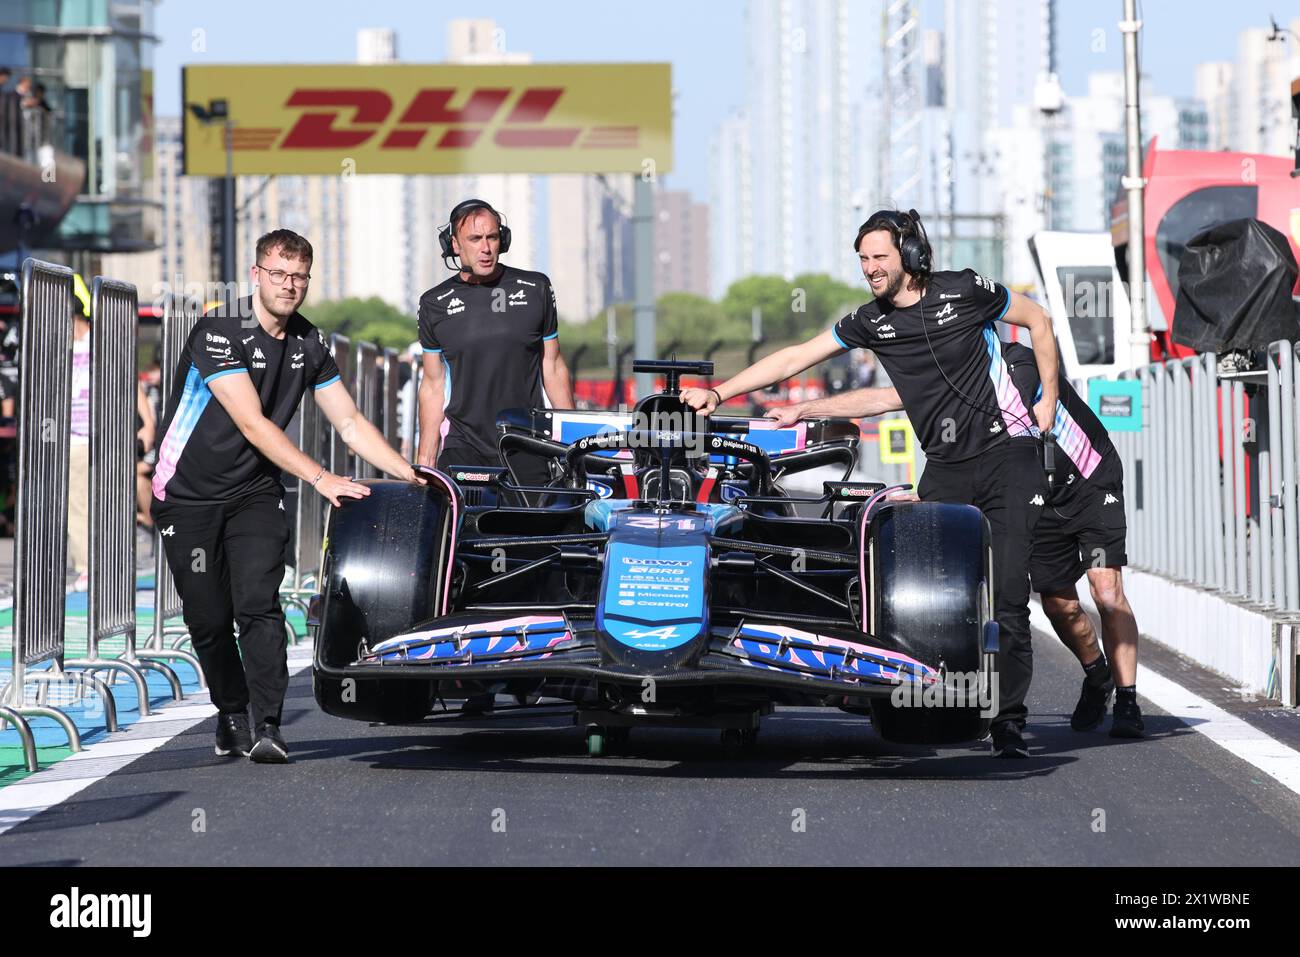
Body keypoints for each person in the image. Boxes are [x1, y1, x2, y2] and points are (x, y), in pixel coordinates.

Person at [682, 209, 1060, 758]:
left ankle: (1008, 720)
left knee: (1005, 598)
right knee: (930, 591)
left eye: (879, 257)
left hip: (1010, 455)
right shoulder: (870, 320)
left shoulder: (967, 289)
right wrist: (720, 393)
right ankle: (925, 696)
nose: (870, 268)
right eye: (862, 259)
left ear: (910, 253)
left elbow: (1040, 321)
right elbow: (796, 357)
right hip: (947, 466)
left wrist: (1048, 397)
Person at [151, 228, 425, 763]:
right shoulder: (219, 330)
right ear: (256, 275)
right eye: (278, 274)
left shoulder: (310, 343)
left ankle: (267, 724)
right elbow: (253, 423)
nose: (288, 285)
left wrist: (409, 473)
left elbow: (348, 421)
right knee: (207, 617)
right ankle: (230, 710)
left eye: (299, 276)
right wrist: (321, 479)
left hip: (255, 492)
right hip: (189, 492)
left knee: (259, 604)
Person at [1001, 340, 1144, 737]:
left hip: (1090, 482)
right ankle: (1097, 674)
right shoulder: (964, 387)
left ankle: (1129, 700)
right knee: (1059, 605)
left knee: (1106, 590)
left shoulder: (1019, 362)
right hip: (1039, 500)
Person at [416, 198, 574, 487]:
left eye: (492, 237)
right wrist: (425, 460)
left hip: (526, 441)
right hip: (464, 445)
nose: (486, 248)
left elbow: (552, 367)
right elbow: (433, 385)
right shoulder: (433, 303)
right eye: (475, 239)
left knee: (531, 531)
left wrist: (575, 444)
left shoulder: (537, 288)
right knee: (463, 530)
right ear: (454, 244)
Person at [67, 273, 92, 591]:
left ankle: (88, 566)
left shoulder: (92, 343)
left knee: (83, 503)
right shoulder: (64, 346)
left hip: (94, 434)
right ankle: (88, 564)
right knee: (78, 502)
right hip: (74, 435)